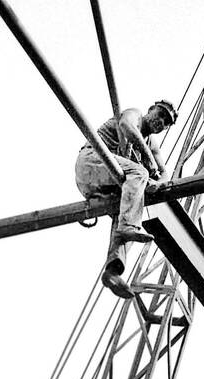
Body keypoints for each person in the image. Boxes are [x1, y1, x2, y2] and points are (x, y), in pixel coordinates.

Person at [75, 100, 178, 271]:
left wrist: (155, 184)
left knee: (128, 205)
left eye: (166, 122)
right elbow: (125, 125)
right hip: (90, 163)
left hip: (104, 185)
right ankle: (128, 226)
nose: (161, 122)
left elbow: (164, 174)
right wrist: (147, 161)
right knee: (140, 173)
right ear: (150, 109)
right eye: (160, 114)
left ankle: (113, 268)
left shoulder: (152, 144)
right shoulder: (135, 115)